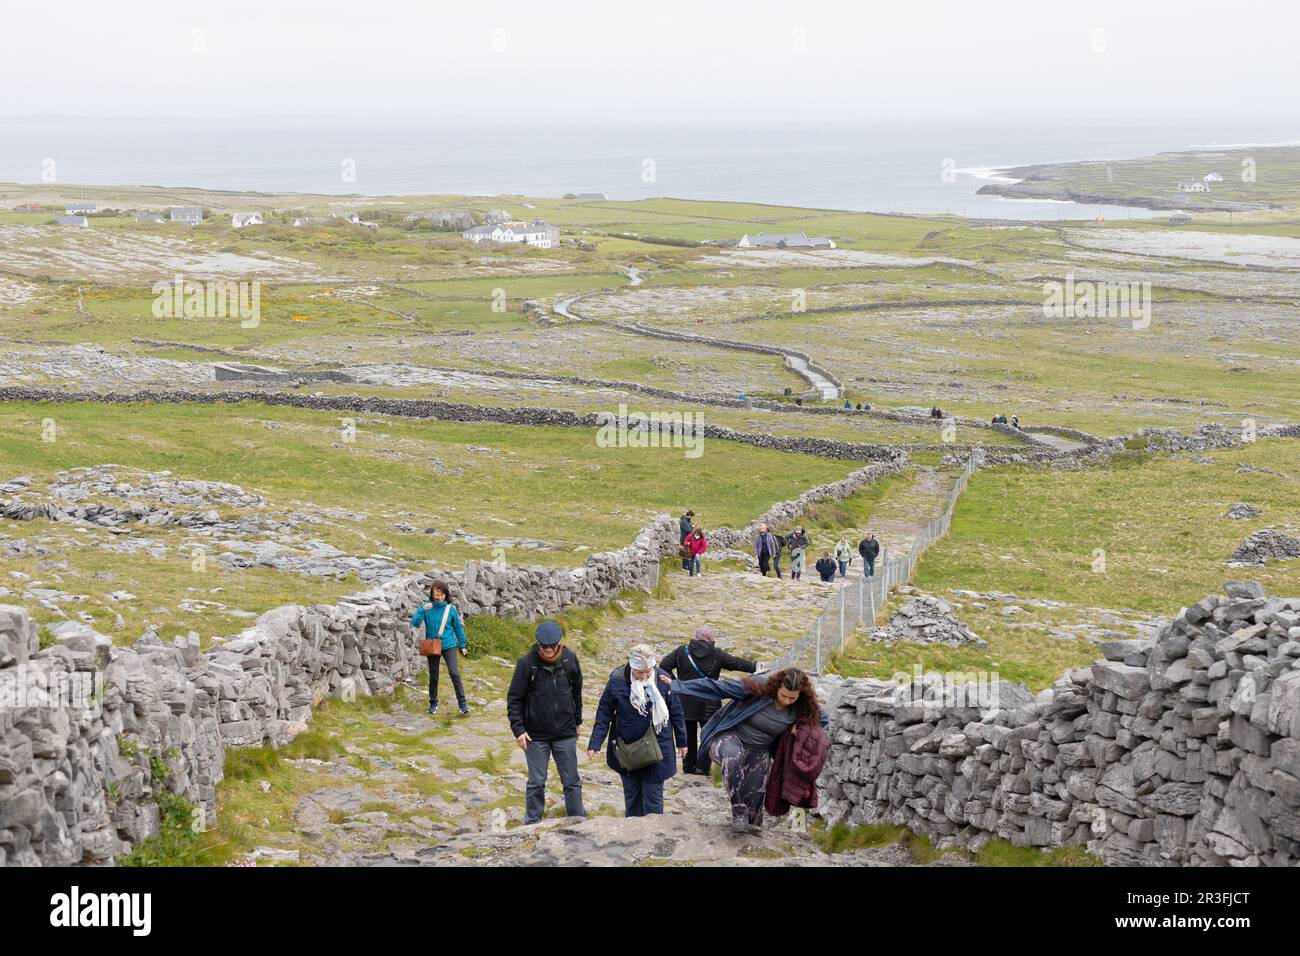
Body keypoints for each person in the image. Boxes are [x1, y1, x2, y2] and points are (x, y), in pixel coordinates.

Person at [670, 668, 828, 833]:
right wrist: (677, 686)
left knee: (754, 798)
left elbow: (823, 719)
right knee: (733, 756)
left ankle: (752, 827)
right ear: (777, 688)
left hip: (759, 750)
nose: (787, 701)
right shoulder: (758, 688)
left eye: (792, 698)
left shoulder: (801, 706)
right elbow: (718, 687)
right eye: (783, 696)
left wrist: (801, 729)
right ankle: (738, 810)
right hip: (729, 739)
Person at [587, 644, 687, 816]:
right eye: (640, 672)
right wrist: (595, 742)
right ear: (632, 667)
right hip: (628, 748)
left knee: (653, 797)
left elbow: (676, 712)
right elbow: (604, 712)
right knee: (632, 795)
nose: (645, 676)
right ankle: (632, 830)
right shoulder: (617, 680)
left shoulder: (663, 679)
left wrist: (682, 742)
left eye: (648, 671)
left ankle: (654, 831)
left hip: (658, 747)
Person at [507, 620, 586, 824]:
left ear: (559, 643)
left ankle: (578, 821)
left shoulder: (570, 659)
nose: (548, 650)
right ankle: (532, 824)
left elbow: (576, 693)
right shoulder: (526, 664)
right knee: (536, 782)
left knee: (571, 781)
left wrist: (578, 722)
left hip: (565, 732)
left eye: (552, 646)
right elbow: (514, 699)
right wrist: (519, 730)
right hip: (535, 735)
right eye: (544, 646)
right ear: (538, 643)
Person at [658, 626, 758, 774]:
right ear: (711, 637)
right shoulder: (716, 654)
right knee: (709, 736)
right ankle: (703, 768)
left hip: (685, 700)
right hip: (709, 701)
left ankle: (688, 768)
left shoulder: (681, 651)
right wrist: (754, 667)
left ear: (696, 636)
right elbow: (735, 663)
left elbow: (663, 666)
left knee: (688, 736)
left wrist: (676, 683)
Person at [410, 581, 469, 716]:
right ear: (432, 594)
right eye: (436, 595)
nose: (439, 598)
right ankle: (433, 703)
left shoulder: (450, 608)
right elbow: (415, 623)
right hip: (433, 646)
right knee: (434, 676)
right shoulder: (426, 606)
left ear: (446, 594)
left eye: (442, 595)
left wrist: (462, 645)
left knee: (454, 673)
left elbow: (458, 627)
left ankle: (463, 704)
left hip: (449, 645)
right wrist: (422, 610)